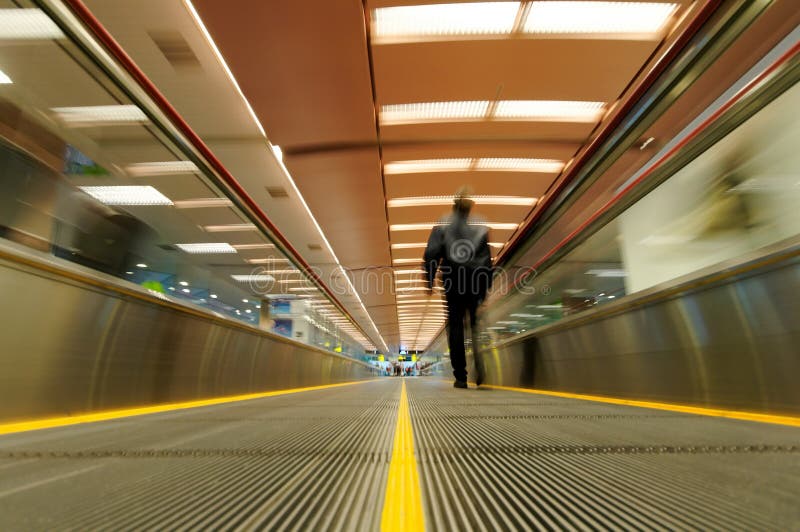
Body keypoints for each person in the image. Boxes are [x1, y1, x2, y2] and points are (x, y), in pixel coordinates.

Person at [423, 187, 492, 388]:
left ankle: (460, 376)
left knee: (455, 327)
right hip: (476, 281)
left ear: (454, 206)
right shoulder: (480, 226)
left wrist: (429, 280)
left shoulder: (443, 224)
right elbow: (487, 261)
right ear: (470, 208)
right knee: (475, 325)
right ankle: (480, 366)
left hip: (453, 281)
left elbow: (431, 254)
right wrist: (485, 290)